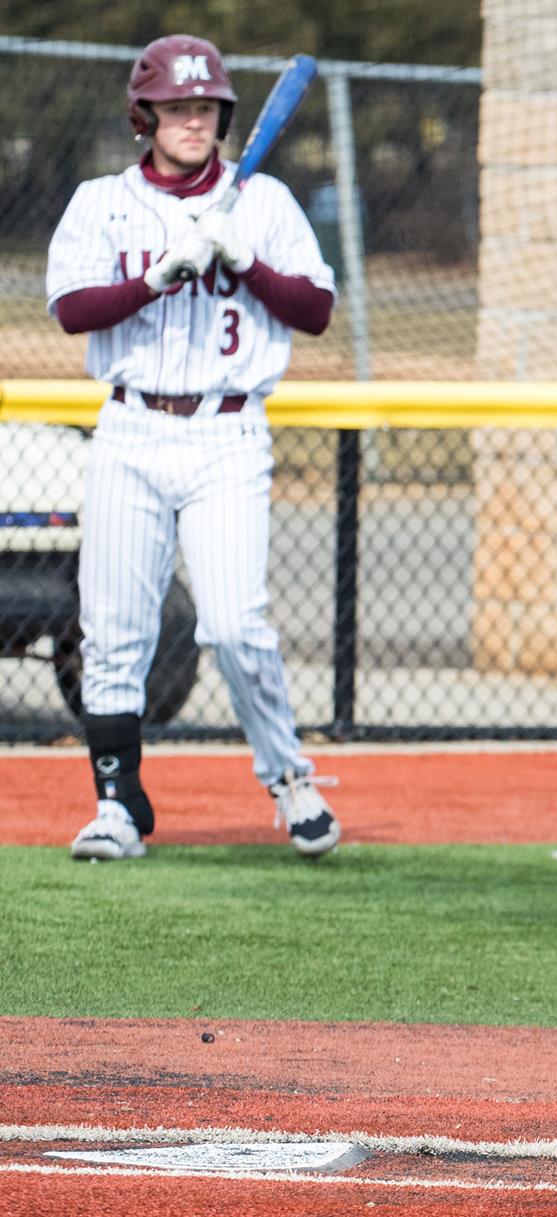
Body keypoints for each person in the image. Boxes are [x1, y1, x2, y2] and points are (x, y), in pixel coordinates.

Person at [47, 35, 341, 860]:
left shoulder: (265, 204)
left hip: (228, 430)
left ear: (223, 116)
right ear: (145, 117)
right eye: (177, 108)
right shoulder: (102, 202)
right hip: (131, 426)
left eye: (206, 108)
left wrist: (242, 259)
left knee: (235, 624)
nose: (193, 121)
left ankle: (290, 779)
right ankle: (116, 803)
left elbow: (315, 311)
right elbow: (72, 309)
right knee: (113, 629)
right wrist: (155, 277)